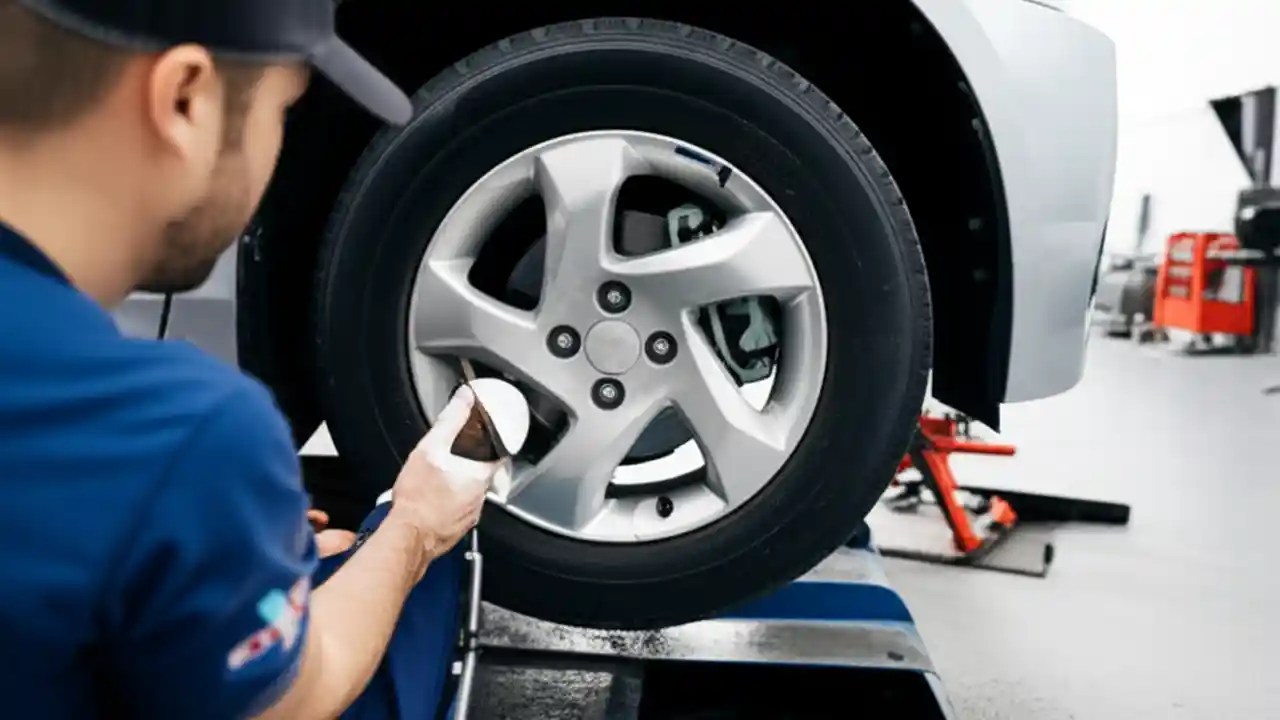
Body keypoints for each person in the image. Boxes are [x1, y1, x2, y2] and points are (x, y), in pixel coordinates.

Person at [0, 1, 496, 718]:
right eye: (283, 112)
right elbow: (292, 701)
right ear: (184, 100)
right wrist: (415, 530)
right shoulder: (177, 434)